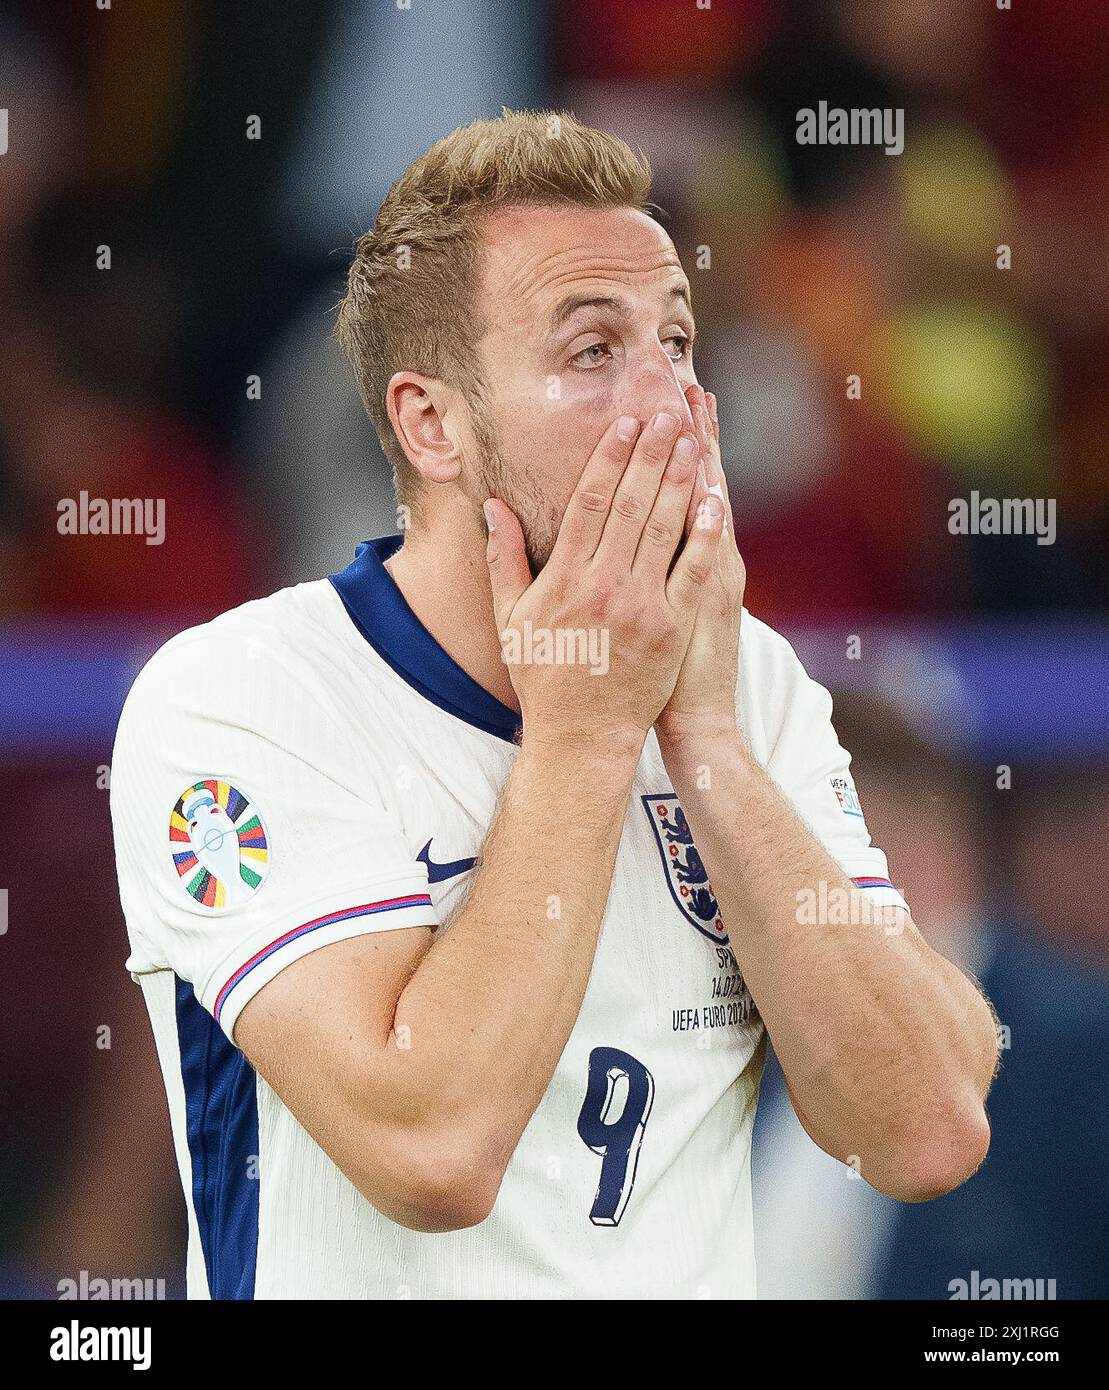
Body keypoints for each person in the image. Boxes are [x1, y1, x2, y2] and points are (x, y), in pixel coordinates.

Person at [110, 109, 998, 1300]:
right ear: (431, 423)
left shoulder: (748, 685)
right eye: (591, 352)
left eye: (676, 341)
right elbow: (431, 1151)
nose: (670, 401)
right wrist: (585, 730)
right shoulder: (243, 697)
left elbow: (925, 1132)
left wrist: (705, 742)